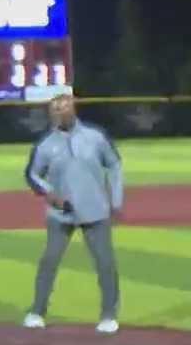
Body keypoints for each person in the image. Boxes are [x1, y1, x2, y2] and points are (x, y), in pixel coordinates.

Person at [23, 92, 125, 332]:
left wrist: (116, 200)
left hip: (94, 210)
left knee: (105, 263)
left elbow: (114, 164)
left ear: (73, 111)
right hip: (61, 214)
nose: (58, 115)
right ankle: (37, 311)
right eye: (55, 112)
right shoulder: (46, 144)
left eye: (63, 110)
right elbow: (32, 174)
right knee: (49, 261)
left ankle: (109, 315)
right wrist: (50, 193)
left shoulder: (95, 137)